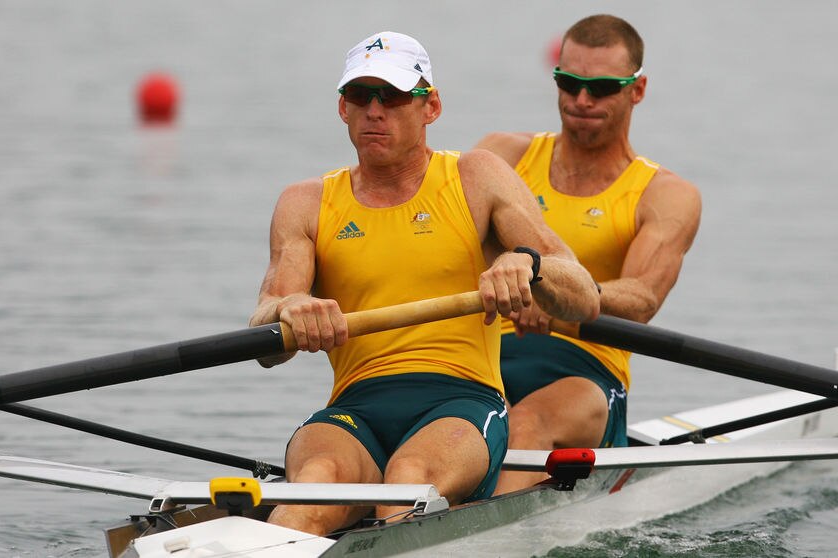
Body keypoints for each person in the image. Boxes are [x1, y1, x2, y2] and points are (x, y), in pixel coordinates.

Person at [249, 31, 600, 536]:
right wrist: (291, 308)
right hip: (354, 407)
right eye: (360, 96)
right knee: (314, 486)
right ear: (342, 109)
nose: (375, 110)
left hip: (462, 403)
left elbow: (582, 293)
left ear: (430, 105)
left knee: (409, 481)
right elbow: (265, 333)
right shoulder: (304, 203)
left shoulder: (475, 178)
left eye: (391, 96)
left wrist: (527, 264)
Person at [475, 14, 702, 494]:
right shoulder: (503, 157)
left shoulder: (664, 195)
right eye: (569, 83)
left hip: (585, 372)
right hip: (481, 358)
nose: (581, 100)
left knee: (524, 427)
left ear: (636, 90)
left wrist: (556, 297)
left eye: (601, 88)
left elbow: (642, 298)